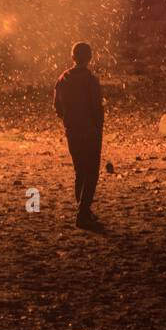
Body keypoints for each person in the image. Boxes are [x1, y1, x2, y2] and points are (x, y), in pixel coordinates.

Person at [54, 42, 106, 229]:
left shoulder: (63, 79)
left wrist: (69, 120)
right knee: (91, 173)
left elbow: (57, 108)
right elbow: (96, 108)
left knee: (80, 172)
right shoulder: (91, 81)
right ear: (89, 58)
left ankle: (83, 210)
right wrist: (98, 126)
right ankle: (82, 214)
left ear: (72, 57)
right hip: (90, 132)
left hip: (73, 132)